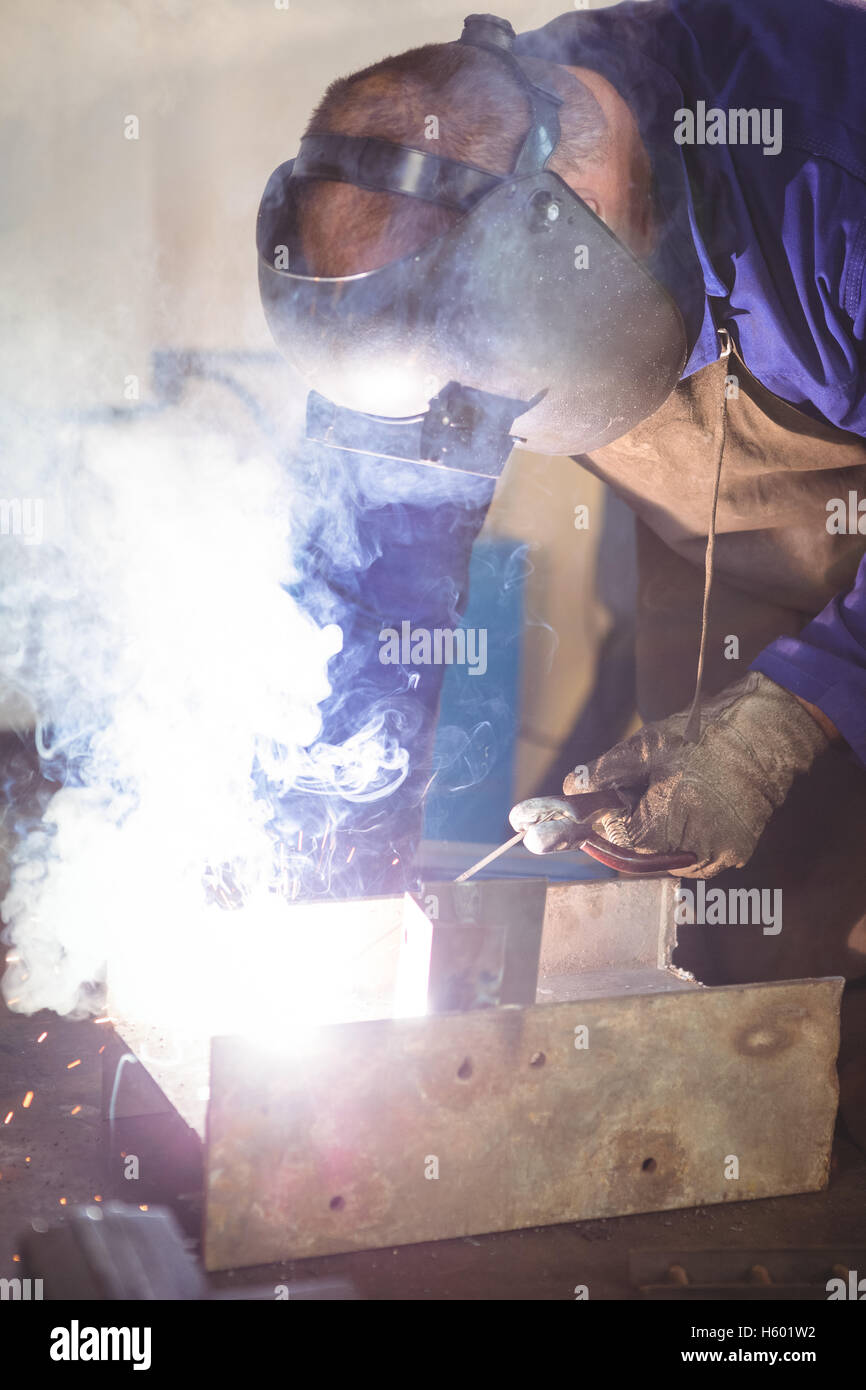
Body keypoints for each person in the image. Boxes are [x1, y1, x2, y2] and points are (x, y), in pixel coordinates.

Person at [261, 1, 866, 1141]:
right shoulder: (440, 204)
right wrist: (332, 839)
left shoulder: (828, 188)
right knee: (726, 965)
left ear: (586, 248)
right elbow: (379, 572)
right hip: (734, 577)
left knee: (833, 1025)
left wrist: (789, 716)